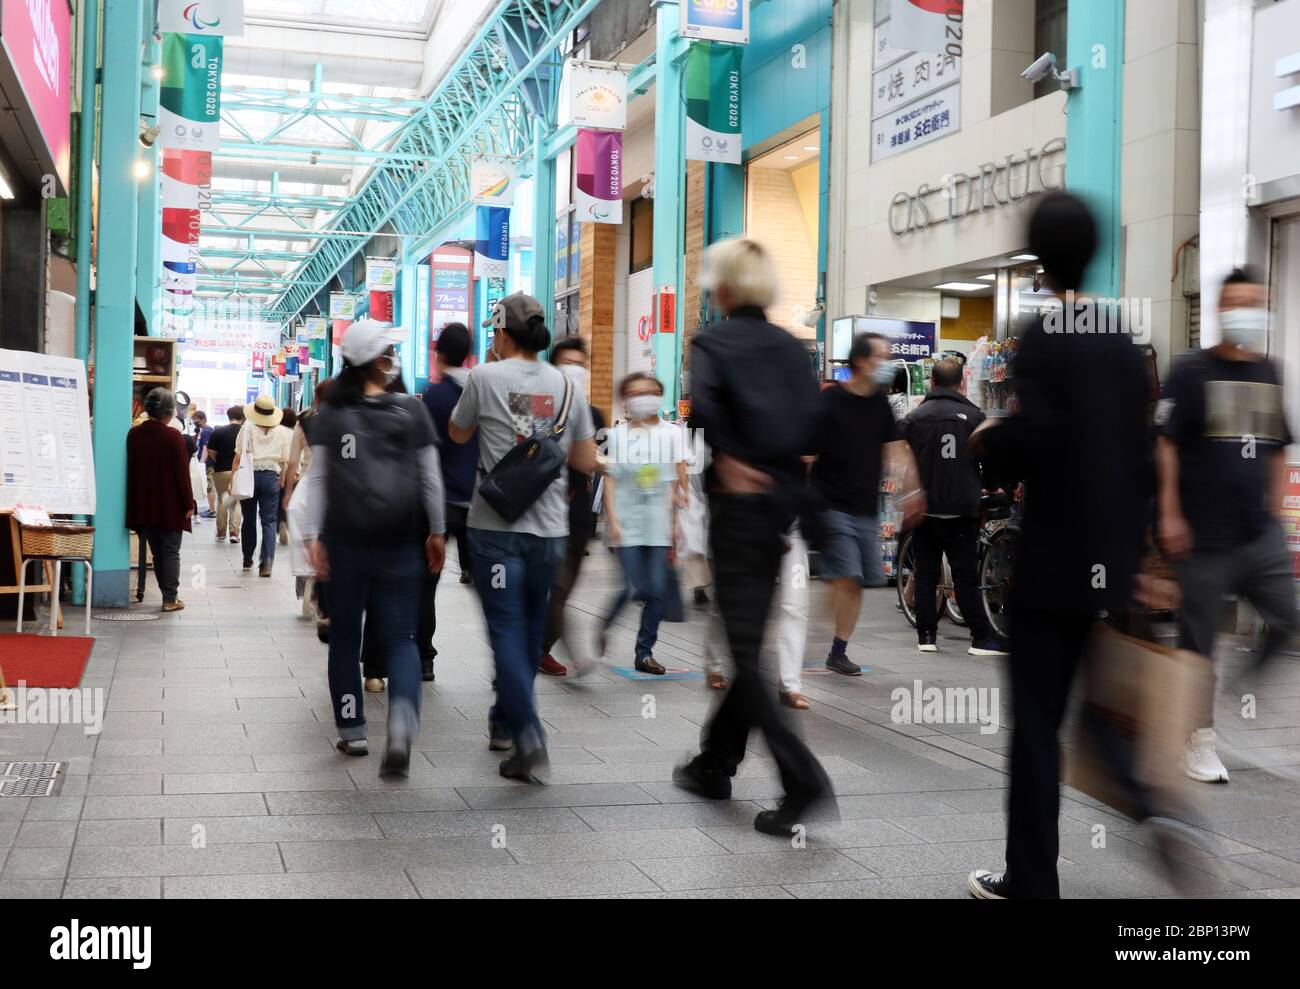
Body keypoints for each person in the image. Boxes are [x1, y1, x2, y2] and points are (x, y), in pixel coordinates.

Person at [966, 191, 1153, 899]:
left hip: (1052, 563)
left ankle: (1032, 877)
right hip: (1113, 562)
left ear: (1040, 258)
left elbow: (1037, 437)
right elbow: (1136, 450)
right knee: (1103, 709)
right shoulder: (1119, 336)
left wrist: (992, 442)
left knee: (1038, 724)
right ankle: (1156, 810)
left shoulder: (1044, 332)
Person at [672, 238, 833, 836]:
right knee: (747, 646)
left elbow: (704, 410)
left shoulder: (711, 342)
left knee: (745, 653)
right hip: (780, 513)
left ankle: (804, 783)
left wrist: (737, 460)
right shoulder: (795, 351)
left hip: (738, 510)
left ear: (727, 288)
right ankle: (715, 764)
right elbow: (812, 425)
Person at [1156, 266, 1297, 784]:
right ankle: (1200, 741)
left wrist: (1276, 513)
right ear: (1218, 309)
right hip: (1202, 533)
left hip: (1258, 532)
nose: (1245, 311)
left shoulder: (1270, 371)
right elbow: (1167, 444)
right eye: (1236, 302)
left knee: (1287, 619)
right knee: (1199, 644)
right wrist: (1170, 514)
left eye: (1254, 302)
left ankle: (1243, 689)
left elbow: (1279, 448)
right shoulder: (1190, 370)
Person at [448, 293, 597, 783]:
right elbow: (583, 462)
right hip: (551, 529)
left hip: (495, 528)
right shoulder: (566, 385)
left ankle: (528, 734)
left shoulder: (483, 377)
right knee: (530, 635)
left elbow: (458, 434)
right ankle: (507, 723)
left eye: (495, 331)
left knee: (506, 633)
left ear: (504, 335)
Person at [304, 319, 446, 772]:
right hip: (400, 542)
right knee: (402, 637)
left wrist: (312, 538)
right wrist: (437, 531)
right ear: (374, 360)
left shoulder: (331, 416)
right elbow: (430, 478)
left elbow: (319, 480)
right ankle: (402, 723)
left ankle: (353, 732)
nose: (393, 359)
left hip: (345, 543)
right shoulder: (411, 410)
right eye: (388, 351)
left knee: (345, 638)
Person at [812, 333, 925, 676]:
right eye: (882, 356)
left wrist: (912, 490)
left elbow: (896, 448)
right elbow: (808, 451)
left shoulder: (878, 402)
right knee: (849, 575)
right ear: (861, 361)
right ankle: (824, 632)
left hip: (864, 507)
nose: (887, 364)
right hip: (830, 503)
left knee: (860, 581)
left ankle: (837, 649)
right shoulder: (831, 402)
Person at [902, 358, 1008, 655]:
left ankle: (926, 636)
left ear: (932, 383)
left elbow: (902, 453)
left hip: (925, 506)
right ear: (961, 382)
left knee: (925, 573)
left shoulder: (915, 417)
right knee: (965, 576)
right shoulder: (975, 416)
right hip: (962, 508)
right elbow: (988, 460)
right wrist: (992, 486)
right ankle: (980, 637)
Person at [597, 373, 687, 676]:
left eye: (650, 392)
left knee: (657, 592)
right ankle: (605, 625)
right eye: (635, 393)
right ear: (626, 400)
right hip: (626, 523)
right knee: (632, 586)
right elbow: (609, 481)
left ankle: (644, 653)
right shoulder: (616, 436)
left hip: (659, 524)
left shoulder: (672, 434)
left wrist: (675, 524)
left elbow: (676, 480)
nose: (643, 397)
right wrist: (612, 519)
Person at [540, 336, 607, 676]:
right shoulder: (541, 408)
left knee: (563, 589)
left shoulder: (595, 413)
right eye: (568, 363)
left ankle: (538, 647)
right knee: (557, 586)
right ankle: (553, 650)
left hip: (580, 514)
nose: (575, 370)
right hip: (546, 511)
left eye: (581, 365)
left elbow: (601, 461)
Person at [125, 388, 193, 613]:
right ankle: (170, 598)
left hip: (143, 504)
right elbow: (182, 474)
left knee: (157, 552)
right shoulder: (173, 436)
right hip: (170, 503)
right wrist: (188, 503)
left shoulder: (133, 434)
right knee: (171, 550)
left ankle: (168, 596)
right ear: (168, 412)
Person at [422, 323, 478, 590]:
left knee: (426, 581)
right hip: (479, 500)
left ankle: (422, 633)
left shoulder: (434, 396)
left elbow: (425, 457)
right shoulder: (481, 391)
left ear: (438, 353)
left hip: (441, 501)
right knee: (489, 587)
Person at [232, 395, 291, 577]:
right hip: (271, 477)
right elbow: (285, 460)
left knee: (248, 518)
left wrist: (233, 480)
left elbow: (237, 457)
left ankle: (247, 558)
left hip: (249, 475)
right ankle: (266, 563)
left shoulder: (247, 429)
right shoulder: (282, 431)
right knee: (269, 521)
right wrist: (282, 480)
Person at [206, 404, 243, 544]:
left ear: (229, 416)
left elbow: (210, 450)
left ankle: (221, 532)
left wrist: (218, 460)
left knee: (222, 500)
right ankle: (234, 532)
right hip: (239, 471)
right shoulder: (245, 432)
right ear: (242, 417)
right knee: (236, 501)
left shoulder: (219, 431)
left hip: (220, 471)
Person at [193, 411, 216, 518]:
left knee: (209, 487)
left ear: (202, 419)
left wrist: (201, 464)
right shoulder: (205, 430)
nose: (194, 421)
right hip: (208, 463)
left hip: (207, 464)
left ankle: (212, 510)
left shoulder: (207, 431)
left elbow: (205, 449)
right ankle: (211, 509)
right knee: (209, 486)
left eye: (196, 419)